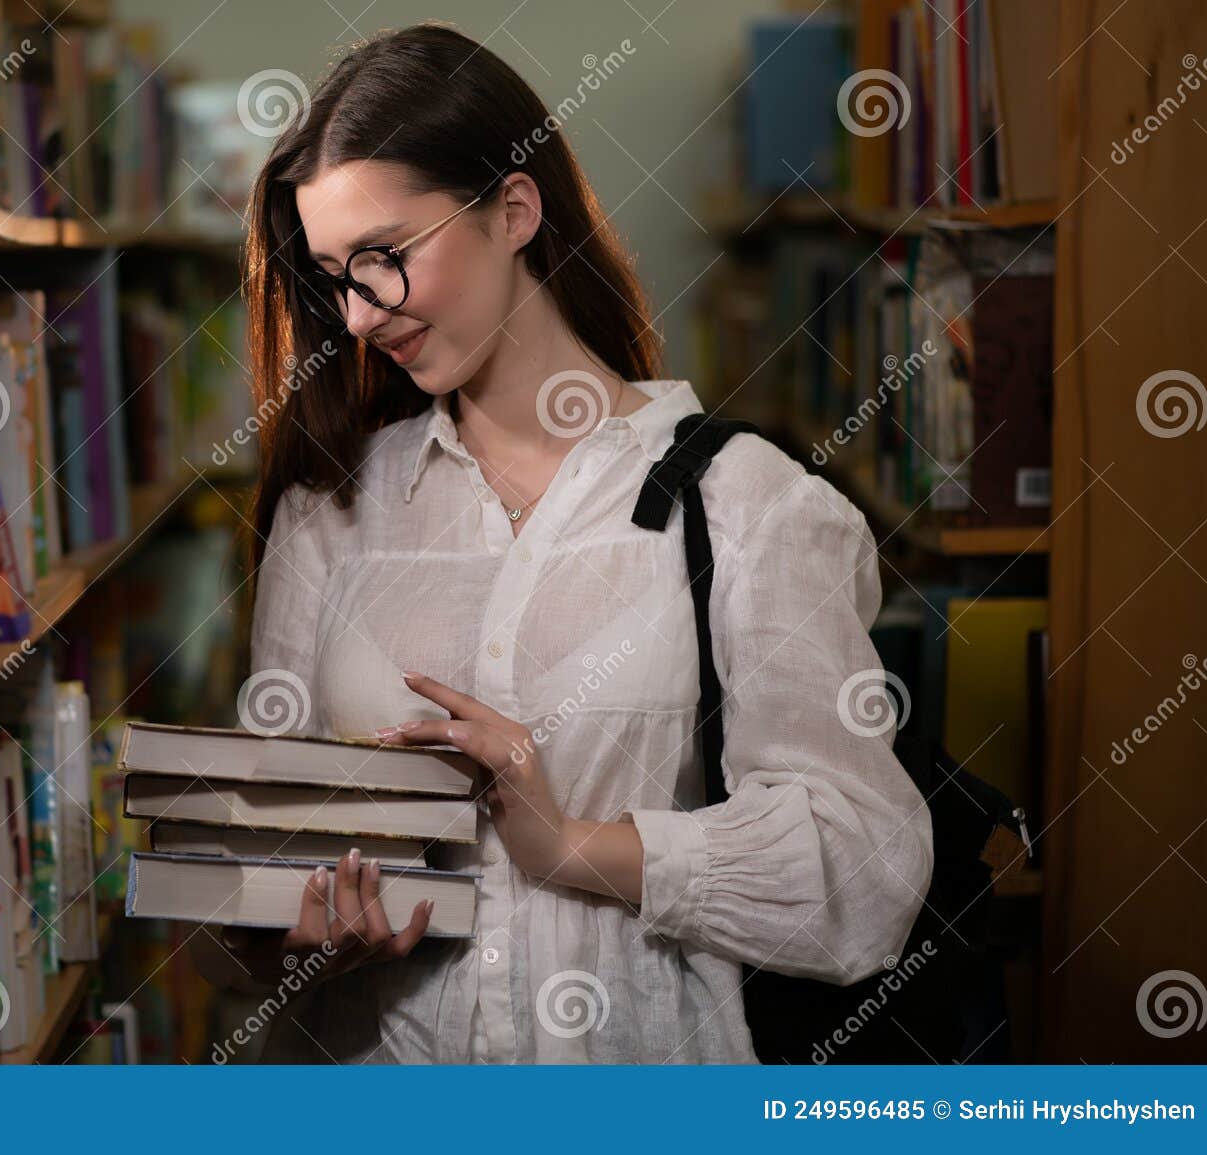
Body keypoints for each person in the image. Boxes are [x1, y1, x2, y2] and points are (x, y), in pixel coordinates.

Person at [190, 21, 933, 1064]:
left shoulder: (744, 505)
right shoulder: (333, 510)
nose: (359, 316)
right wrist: (305, 938)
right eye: (334, 277)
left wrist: (575, 848)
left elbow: (863, 879)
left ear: (514, 210)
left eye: (385, 258)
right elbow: (261, 884)